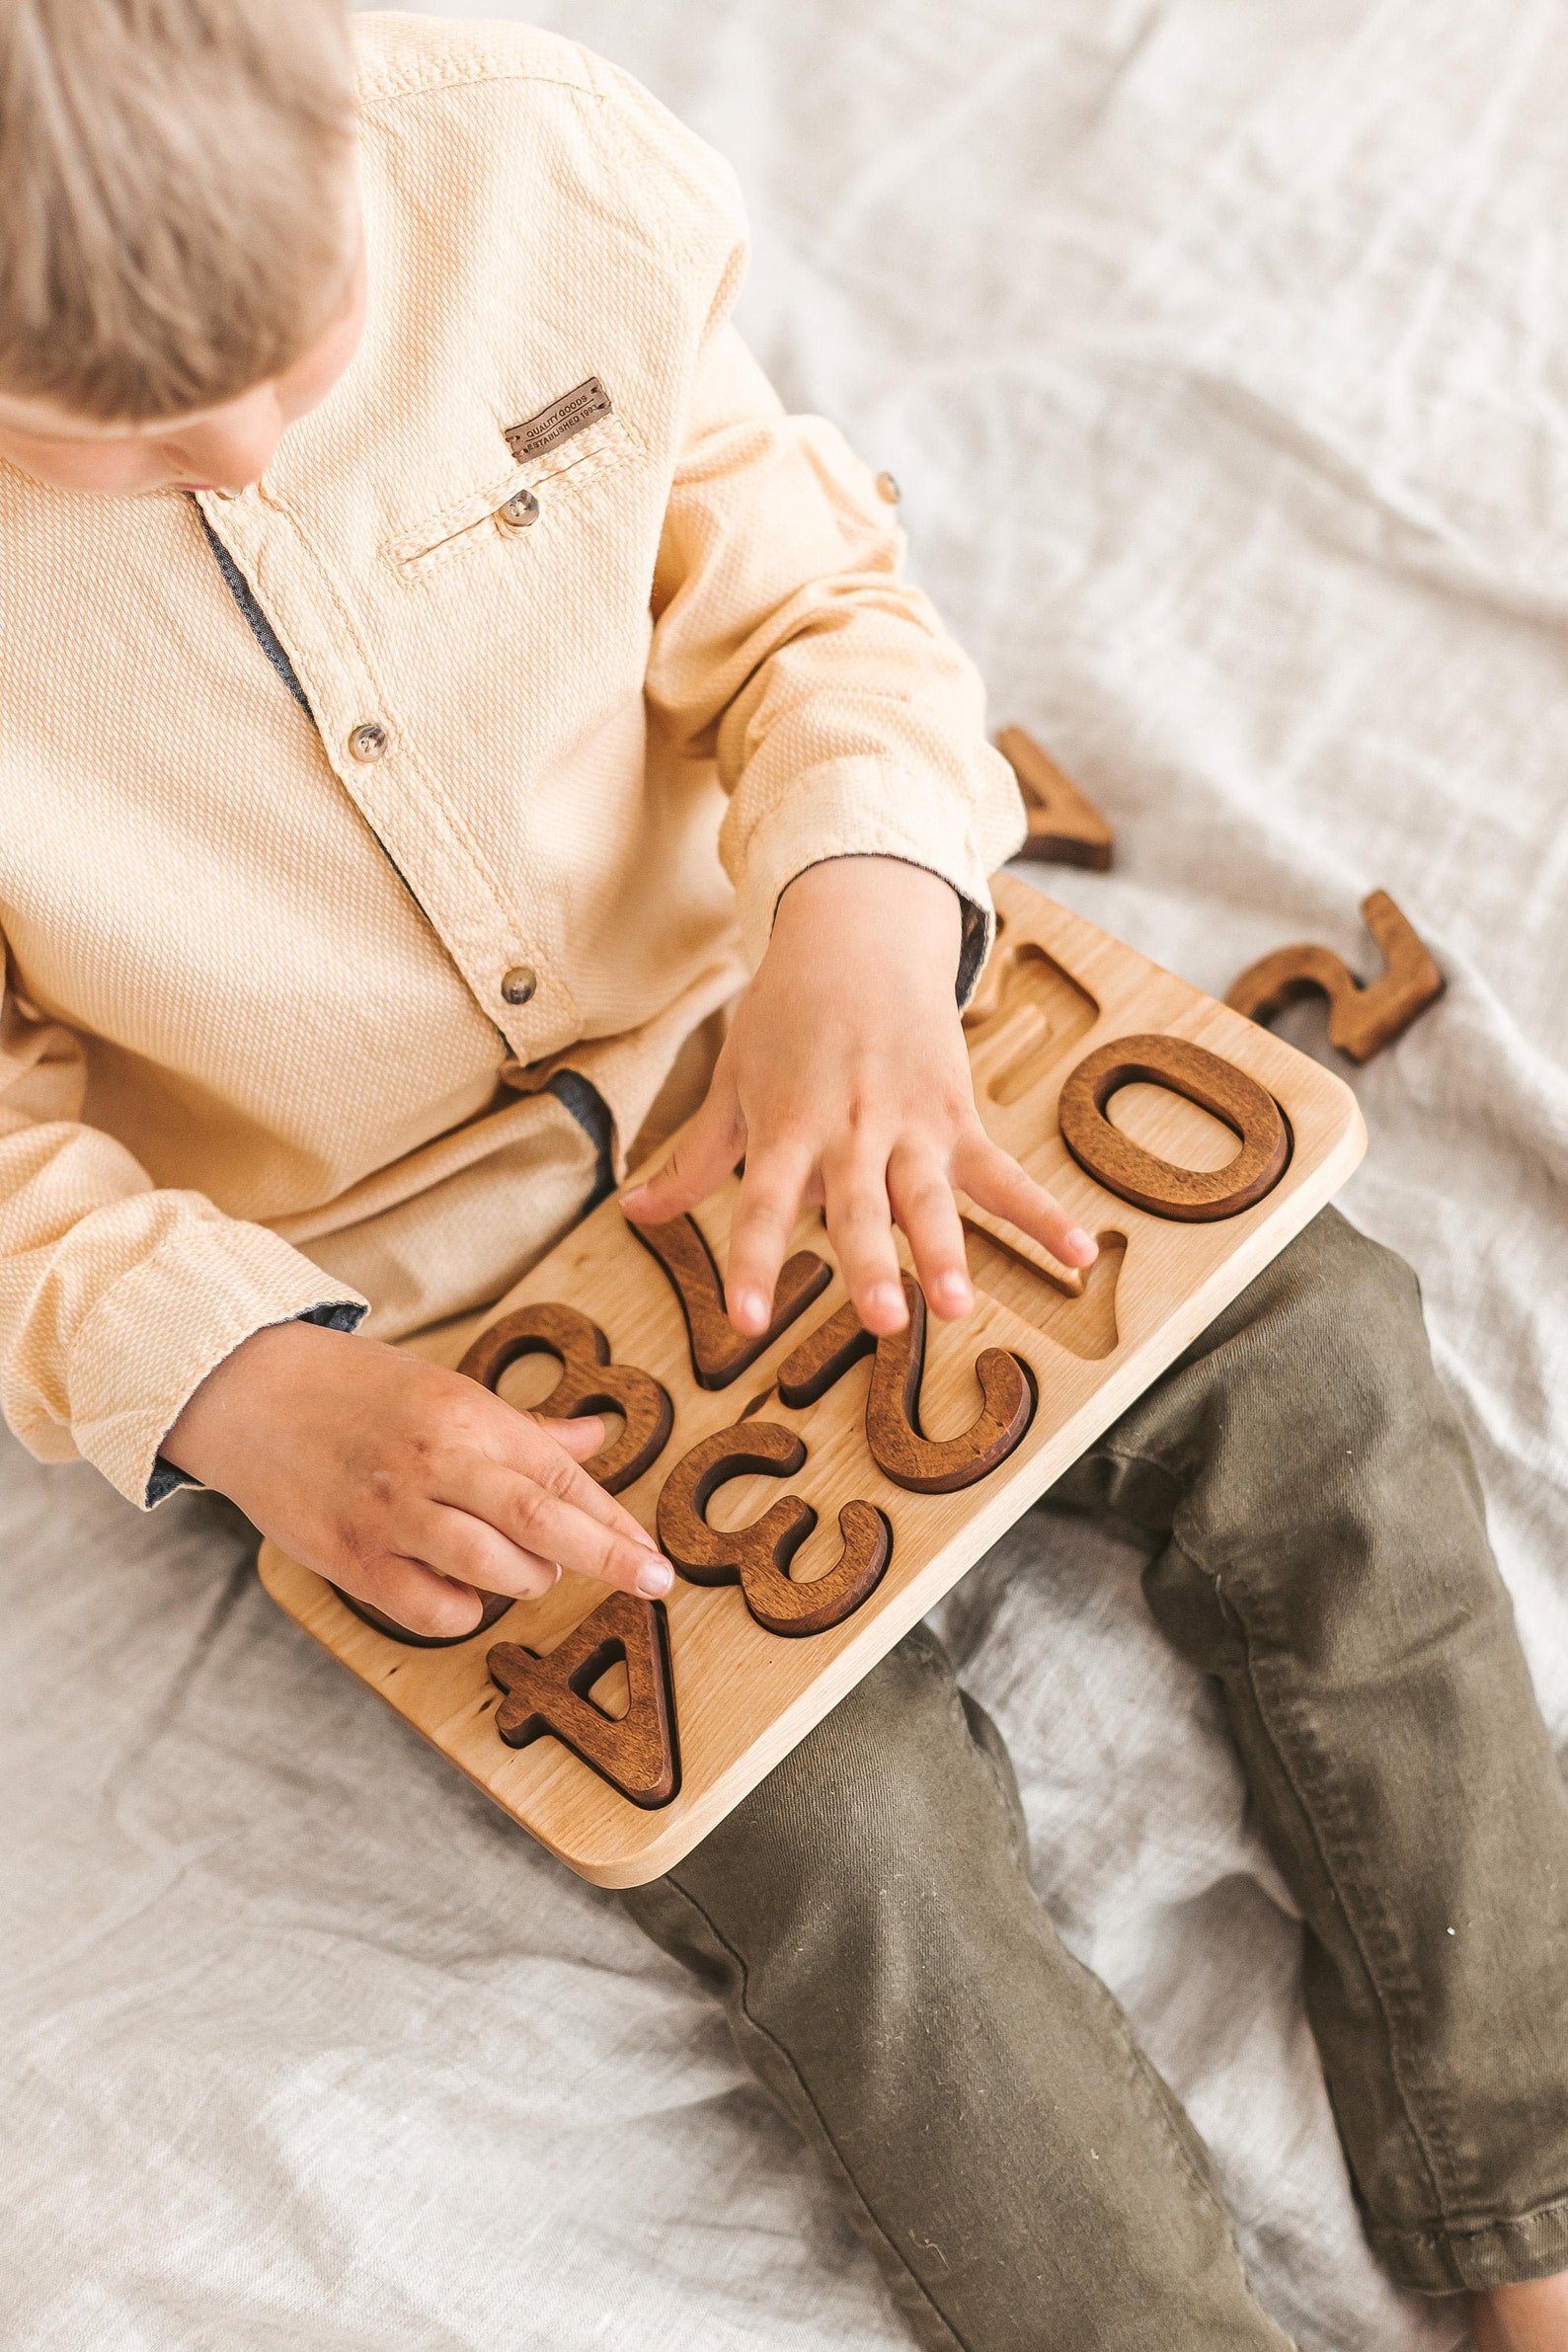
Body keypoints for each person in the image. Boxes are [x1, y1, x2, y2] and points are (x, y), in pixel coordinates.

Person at [0, 5, 1563, 2346]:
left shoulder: (527, 154)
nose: (242, 451)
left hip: (799, 1028)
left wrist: (862, 912)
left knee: (1321, 1358)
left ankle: (1531, 2219)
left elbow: (808, 609)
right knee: (836, 1853)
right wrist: (239, 1390)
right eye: (96, 449)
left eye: (312, 353)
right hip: (401, 1318)